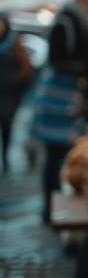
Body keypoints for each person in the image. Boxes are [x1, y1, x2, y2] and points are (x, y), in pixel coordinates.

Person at [33, 0, 88, 224]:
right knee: (56, 155)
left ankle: (54, 207)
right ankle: (50, 208)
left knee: (62, 155)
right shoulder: (67, 20)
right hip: (61, 98)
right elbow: (59, 59)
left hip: (69, 98)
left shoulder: (77, 18)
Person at [0, 12, 33, 174]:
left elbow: (26, 66)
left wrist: (16, 81)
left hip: (9, 93)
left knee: (6, 124)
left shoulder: (13, 43)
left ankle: (5, 157)